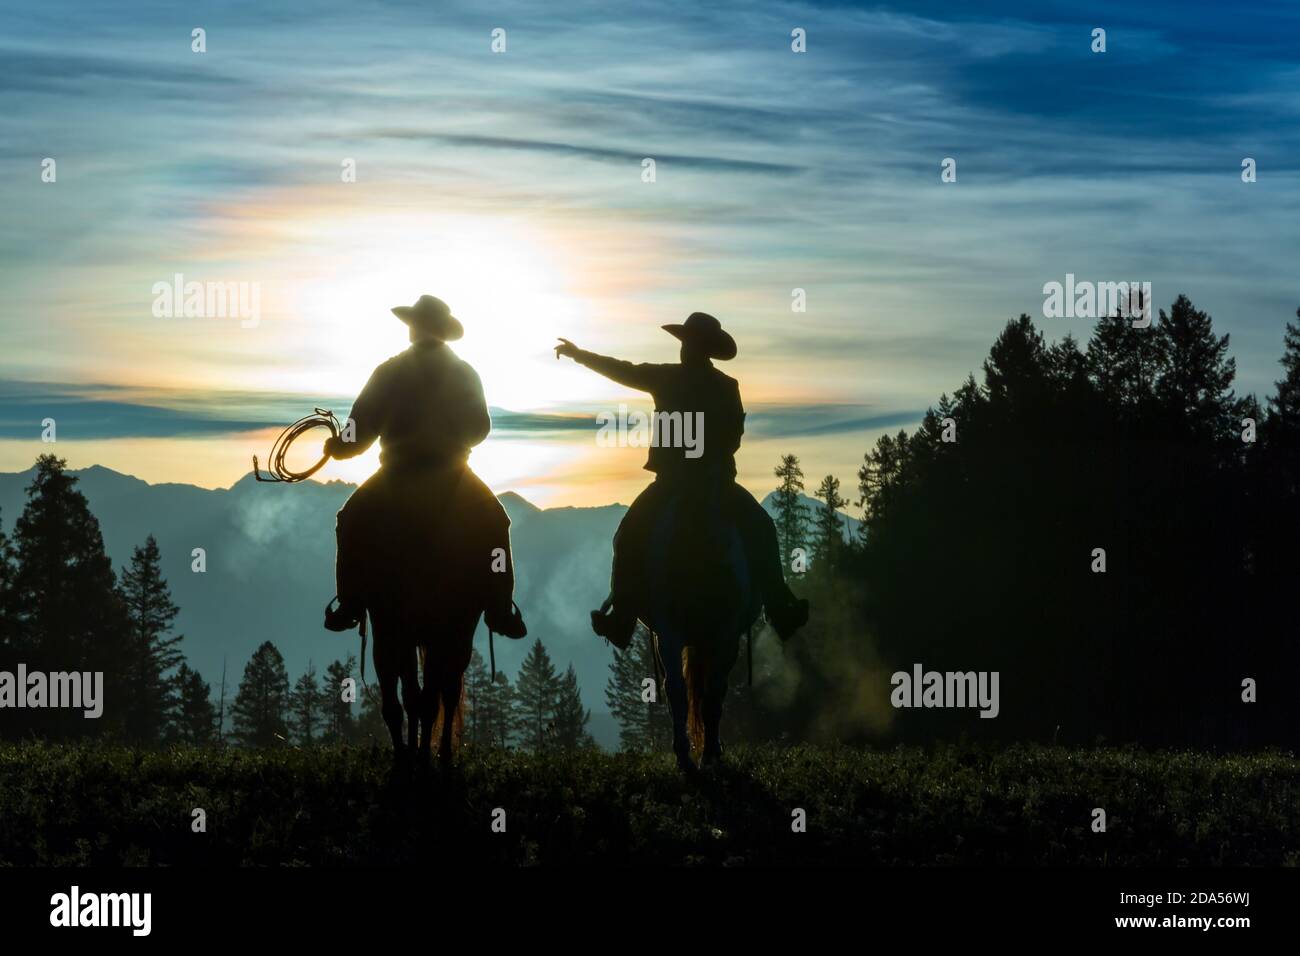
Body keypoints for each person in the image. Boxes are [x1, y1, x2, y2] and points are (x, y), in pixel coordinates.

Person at [555, 311, 809, 648]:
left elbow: (624, 371)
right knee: (761, 528)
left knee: (629, 536)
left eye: (688, 343)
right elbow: (734, 435)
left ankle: (622, 618)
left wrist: (580, 355)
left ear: (696, 347)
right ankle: (780, 609)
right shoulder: (725, 386)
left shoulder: (668, 378)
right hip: (718, 483)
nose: (684, 349)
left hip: (672, 482)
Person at [322, 294, 526, 638]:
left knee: (350, 521)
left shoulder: (387, 371)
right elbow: (480, 430)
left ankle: (350, 603)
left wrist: (336, 447)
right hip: (454, 477)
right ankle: (500, 607)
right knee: (495, 527)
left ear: (412, 328)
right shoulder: (464, 373)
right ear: (444, 332)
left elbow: (358, 432)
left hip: (395, 477)